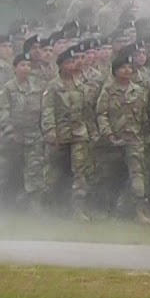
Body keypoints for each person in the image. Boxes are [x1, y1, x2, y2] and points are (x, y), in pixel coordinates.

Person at [95, 51, 150, 223]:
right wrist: (109, 134)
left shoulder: (139, 91)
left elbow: (145, 115)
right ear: (115, 71)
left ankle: (139, 209)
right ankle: (110, 209)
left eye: (130, 68)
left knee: (137, 174)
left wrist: (145, 135)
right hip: (112, 140)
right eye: (123, 68)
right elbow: (101, 114)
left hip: (134, 139)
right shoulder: (108, 91)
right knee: (110, 176)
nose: (127, 71)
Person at [40, 45, 93, 221]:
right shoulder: (53, 86)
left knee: (79, 171)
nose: (72, 65)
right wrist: (50, 131)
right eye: (69, 62)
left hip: (79, 134)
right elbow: (48, 110)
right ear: (61, 65)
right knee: (53, 172)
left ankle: (78, 208)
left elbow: (87, 110)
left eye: (73, 62)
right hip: (59, 135)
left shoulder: (81, 85)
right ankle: (47, 206)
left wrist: (91, 131)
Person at [0, 51, 47, 211]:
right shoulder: (8, 88)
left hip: (33, 136)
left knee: (34, 170)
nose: (26, 68)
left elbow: (43, 110)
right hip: (12, 137)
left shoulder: (38, 87)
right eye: (22, 65)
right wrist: (10, 130)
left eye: (28, 65)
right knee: (6, 171)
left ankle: (35, 206)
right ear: (15, 68)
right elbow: (3, 110)